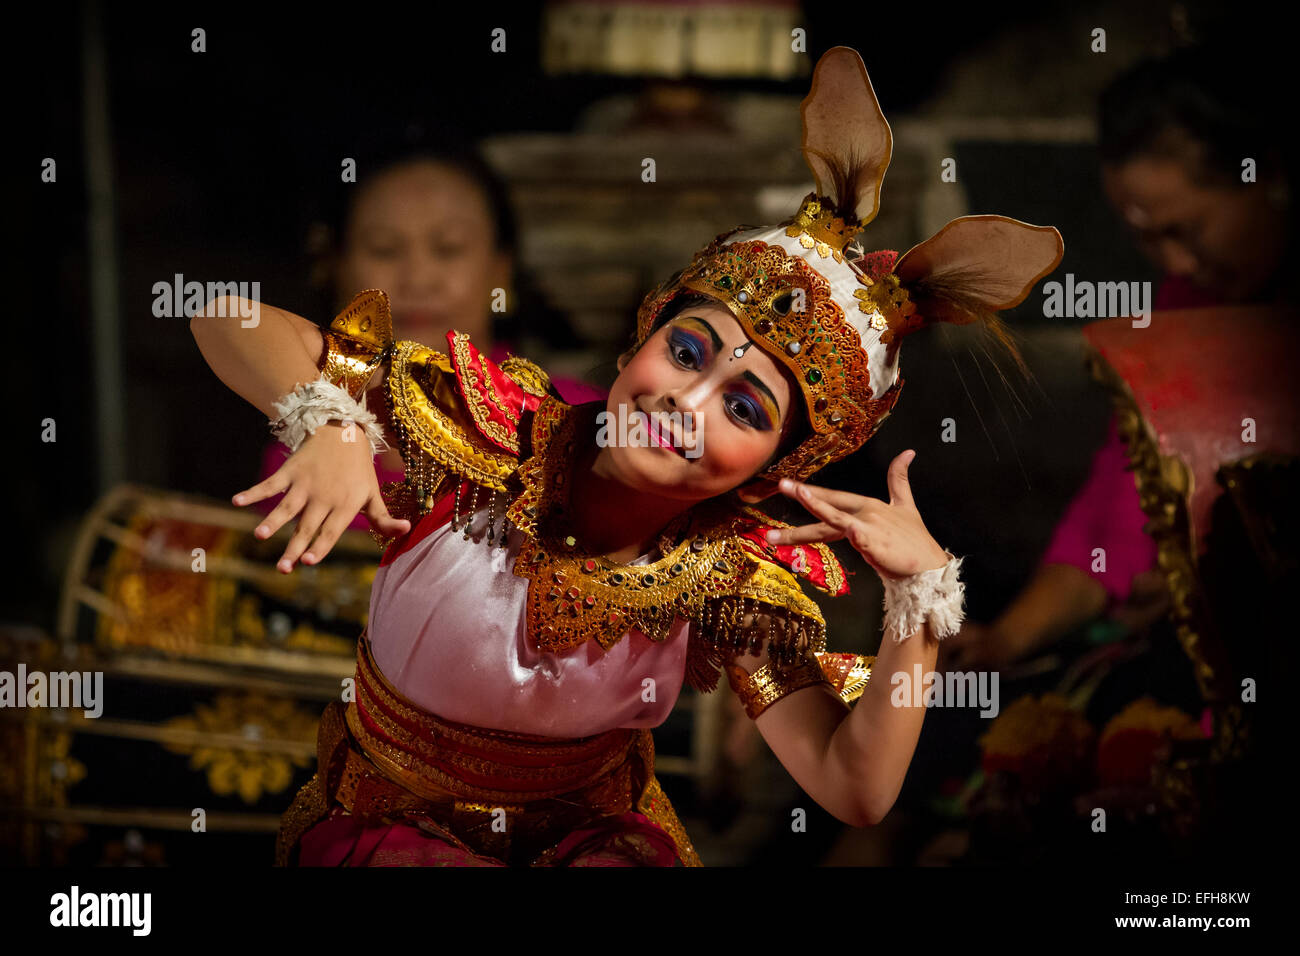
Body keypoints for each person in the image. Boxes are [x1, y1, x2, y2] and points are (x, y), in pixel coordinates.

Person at [190, 47, 1063, 866]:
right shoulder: (487, 430)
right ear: (638, 341)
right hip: (394, 832)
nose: (683, 403)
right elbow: (219, 314)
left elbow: (855, 787)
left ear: (764, 468)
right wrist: (334, 419)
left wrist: (919, 606)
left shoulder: (724, 582)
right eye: (686, 353)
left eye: (744, 405)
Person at [942, 39, 1296, 670]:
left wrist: (1224, 577)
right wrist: (1005, 642)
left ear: (1268, 174)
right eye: (1146, 240)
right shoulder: (1186, 310)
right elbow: (1120, 510)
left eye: (1186, 230)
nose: (1176, 264)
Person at [258, 132, 606, 530]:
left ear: (501, 271)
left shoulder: (572, 421)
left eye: (449, 248)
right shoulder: (301, 443)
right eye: (384, 250)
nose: (418, 278)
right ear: (334, 267)